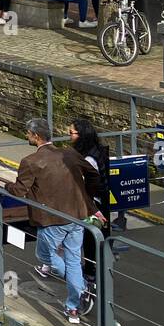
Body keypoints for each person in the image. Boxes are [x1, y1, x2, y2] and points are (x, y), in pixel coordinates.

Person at [2, 118, 99, 324]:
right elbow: (93, 174)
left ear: (36, 136)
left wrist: (6, 185)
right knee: (73, 259)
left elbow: (19, 191)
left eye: (28, 134)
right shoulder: (69, 153)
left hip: (51, 219)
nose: (27, 136)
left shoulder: (31, 161)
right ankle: (73, 307)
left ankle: (81, 289)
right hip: (76, 216)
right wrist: (86, 199)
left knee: (45, 255)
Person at [70, 118, 111, 290]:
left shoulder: (88, 158)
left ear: (81, 135)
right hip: (98, 202)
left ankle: (90, 273)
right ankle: (90, 269)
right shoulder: (98, 150)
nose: (69, 137)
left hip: (93, 205)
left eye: (71, 133)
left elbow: (88, 183)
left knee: (88, 238)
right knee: (90, 238)